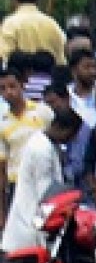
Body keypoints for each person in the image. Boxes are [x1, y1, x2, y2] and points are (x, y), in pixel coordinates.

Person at [1, 106, 81, 254]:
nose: (71, 139)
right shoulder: (41, 149)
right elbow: (45, 193)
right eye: (71, 135)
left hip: (34, 219)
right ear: (61, 128)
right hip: (31, 221)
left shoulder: (46, 144)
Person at [1, 66, 55, 209]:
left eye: (12, 86)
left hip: (43, 179)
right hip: (17, 184)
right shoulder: (2, 123)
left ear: (22, 86)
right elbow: (2, 166)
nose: (8, 92)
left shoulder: (42, 111)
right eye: (3, 89)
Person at [41, 83, 96, 206]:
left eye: (53, 102)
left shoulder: (81, 129)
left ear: (66, 99)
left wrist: (57, 174)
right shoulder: (49, 129)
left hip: (80, 192)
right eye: (46, 104)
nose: (50, 108)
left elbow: (78, 165)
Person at [0, 0, 66, 66]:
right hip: (49, 77)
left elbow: (4, 58)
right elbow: (61, 59)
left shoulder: (10, 24)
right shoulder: (52, 24)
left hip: (22, 78)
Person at [66, 49, 96, 129]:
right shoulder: (65, 94)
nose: (93, 72)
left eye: (94, 67)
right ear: (73, 70)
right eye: (87, 67)